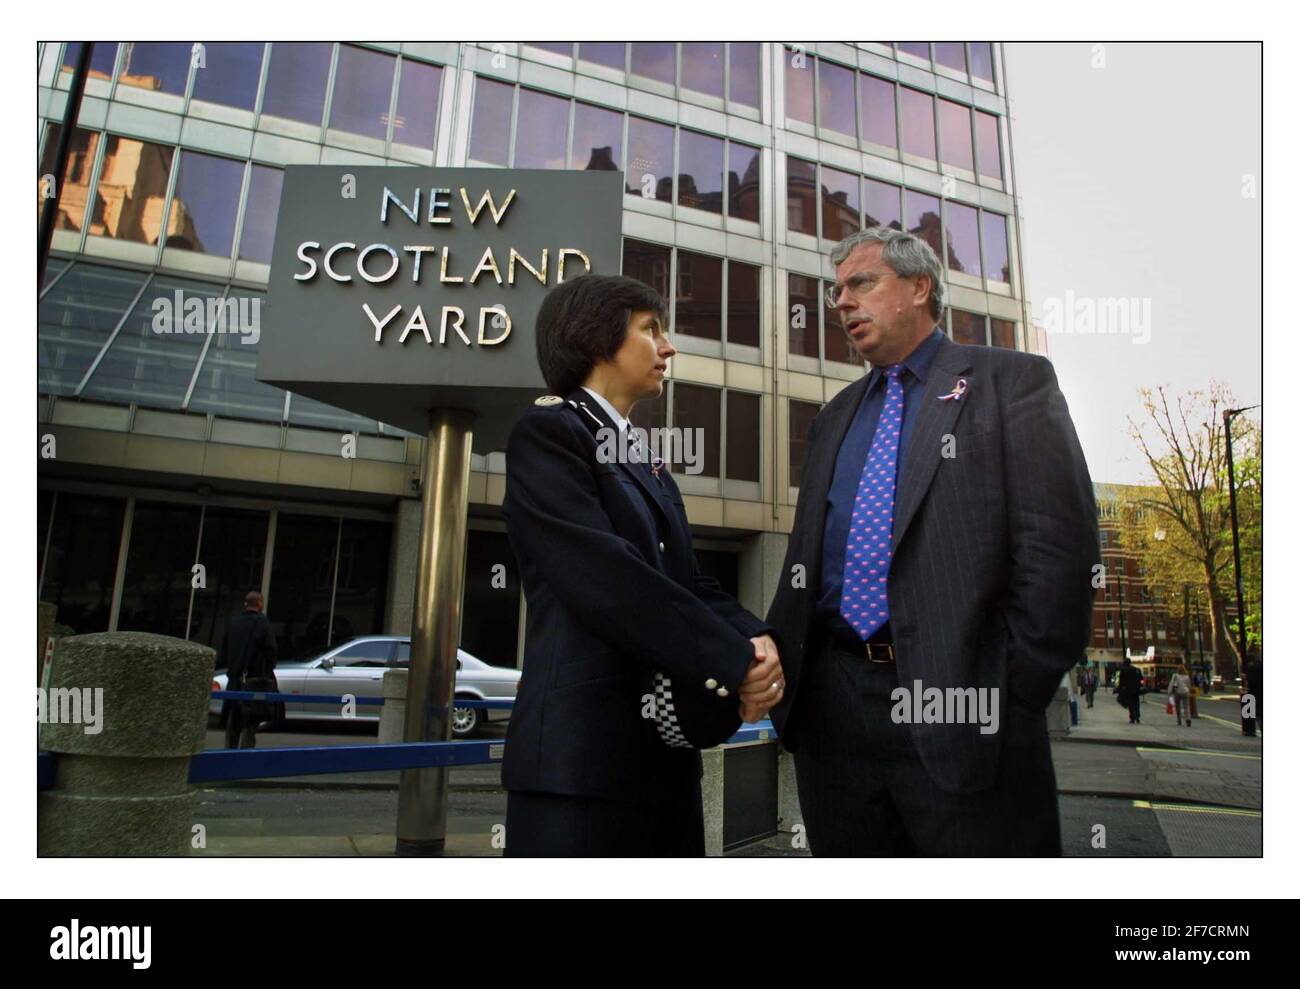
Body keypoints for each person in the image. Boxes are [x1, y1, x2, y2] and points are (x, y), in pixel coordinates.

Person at [765, 227, 1098, 856]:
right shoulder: (834, 416)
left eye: (862, 283)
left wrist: (1013, 692)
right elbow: (805, 561)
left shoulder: (1012, 383)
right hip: (834, 714)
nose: (842, 302)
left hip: (965, 710)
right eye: (837, 291)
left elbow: (1059, 551)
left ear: (919, 288)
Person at [500, 273, 784, 856]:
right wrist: (732, 662)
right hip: (580, 763)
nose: (668, 347)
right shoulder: (548, 433)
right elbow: (606, 579)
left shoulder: (642, 456)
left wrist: (758, 641)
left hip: (663, 756)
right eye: (651, 329)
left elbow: (689, 581)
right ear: (597, 339)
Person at [221, 590, 277, 749]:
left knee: (234, 719)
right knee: (251, 720)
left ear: (246, 603)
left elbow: (224, 649)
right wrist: (267, 671)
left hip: (234, 677)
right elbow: (271, 650)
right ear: (260, 603)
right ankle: (245, 754)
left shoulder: (233, 622)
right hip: (254, 678)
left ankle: (229, 752)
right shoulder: (262, 622)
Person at [1116, 657, 1143, 724]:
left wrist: (1119, 689)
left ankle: (1132, 718)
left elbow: (1121, 681)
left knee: (1131, 704)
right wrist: (1140, 686)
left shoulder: (1123, 670)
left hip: (1128, 690)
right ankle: (1137, 717)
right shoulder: (1136, 669)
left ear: (1125, 663)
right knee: (1136, 703)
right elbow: (1141, 679)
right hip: (1136, 690)